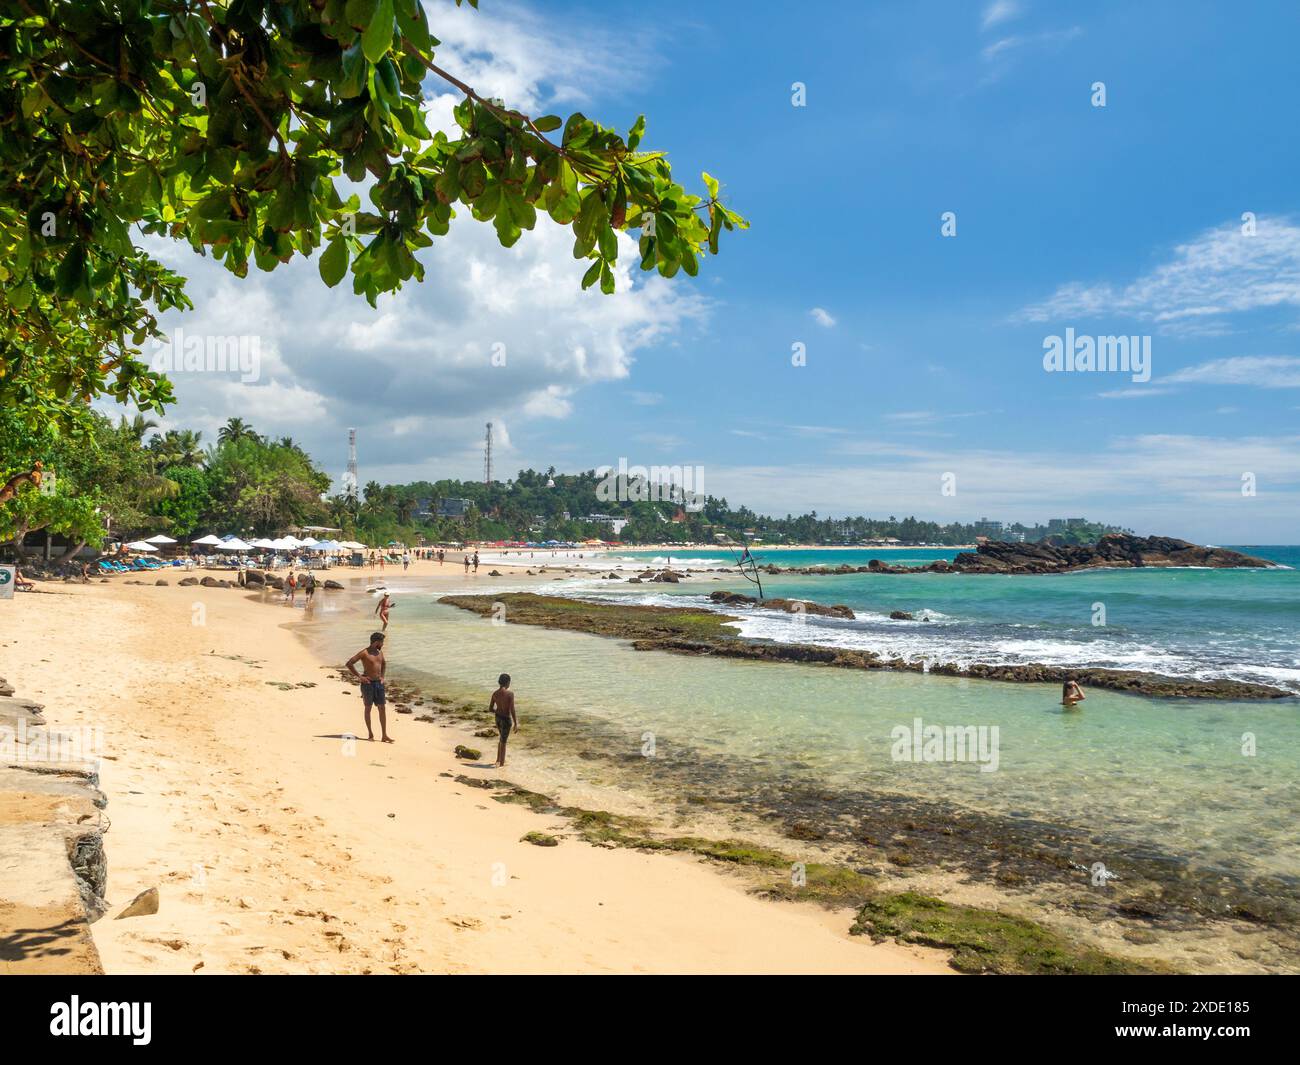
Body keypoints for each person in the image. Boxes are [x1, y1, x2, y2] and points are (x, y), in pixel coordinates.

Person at [346, 632, 391, 743]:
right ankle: (370, 734)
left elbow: (384, 664)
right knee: (368, 708)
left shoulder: (379, 652)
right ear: (376, 642)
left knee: (382, 708)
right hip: (368, 684)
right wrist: (360, 677)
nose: (383, 644)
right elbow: (349, 663)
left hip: (378, 684)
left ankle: (384, 735)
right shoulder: (364, 653)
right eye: (382, 642)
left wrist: (382, 677)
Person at [488, 673, 519, 768]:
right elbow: (512, 709)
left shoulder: (495, 694)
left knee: (501, 739)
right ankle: (501, 763)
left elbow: (490, 709)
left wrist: (497, 711)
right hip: (506, 719)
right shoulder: (510, 694)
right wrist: (515, 723)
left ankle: (498, 759)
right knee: (504, 741)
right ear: (508, 682)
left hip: (498, 718)